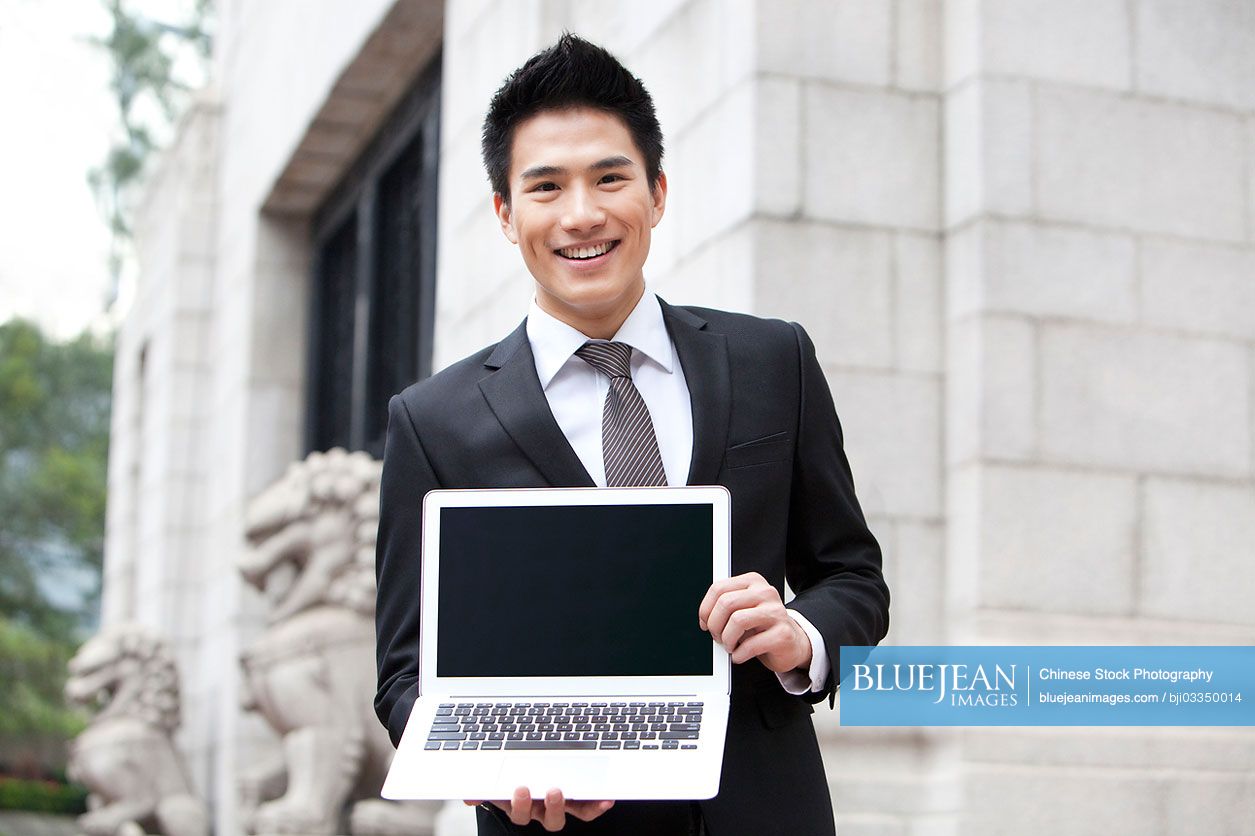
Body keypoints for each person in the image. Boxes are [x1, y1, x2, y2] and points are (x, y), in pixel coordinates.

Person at [374, 33, 889, 836]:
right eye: (545, 187)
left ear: (655, 193)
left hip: (762, 810)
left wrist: (802, 635)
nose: (582, 214)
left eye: (609, 178)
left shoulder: (771, 360)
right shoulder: (434, 422)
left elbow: (853, 577)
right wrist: (490, 767)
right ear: (507, 215)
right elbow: (404, 676)